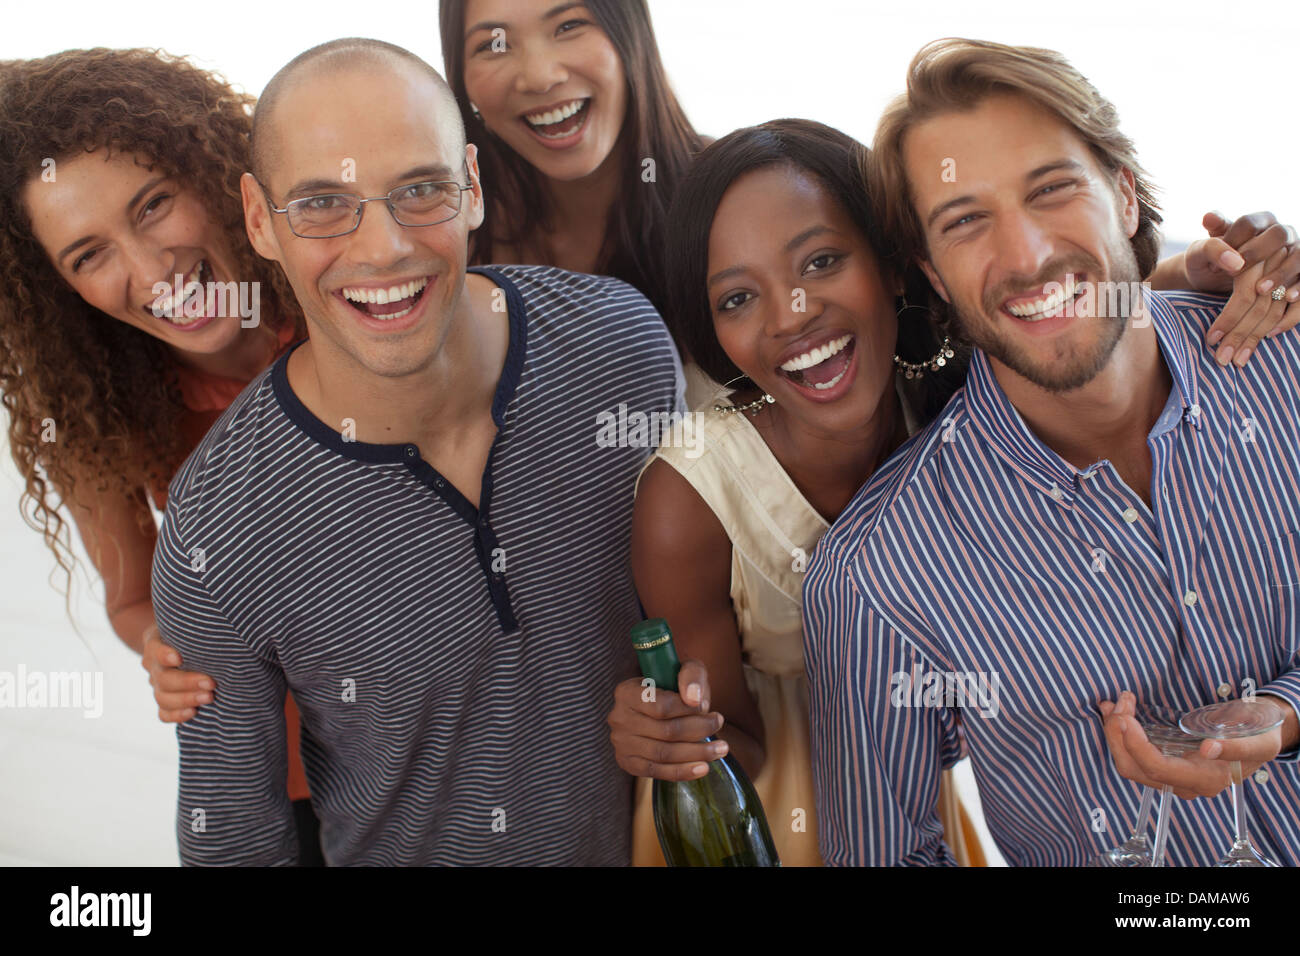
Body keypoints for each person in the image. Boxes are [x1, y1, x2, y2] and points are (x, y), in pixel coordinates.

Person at [603, 120, 1293, 866]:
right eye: (737, 298)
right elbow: (742, 744)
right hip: (777, 806)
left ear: (903, 269)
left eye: (824, 261)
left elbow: (1058, 306)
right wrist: (675, 731)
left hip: (946, 766)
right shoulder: (689, 500)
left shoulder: (950, 377)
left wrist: (1213, 263)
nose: (792, 314)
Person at [150, 37, 682, 864]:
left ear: (470, 185)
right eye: (323, 203)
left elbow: (709, 627)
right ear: (259, 217)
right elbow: (235, 844)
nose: (383, 249)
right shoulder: (217, 529)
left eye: (421, 190)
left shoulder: (620, 347)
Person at [804, 37, 1300, 866]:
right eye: (966, 221)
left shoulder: (1290, 361)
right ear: (930, 272)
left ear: (1127, 195)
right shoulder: (877, 575)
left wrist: (1284, 713)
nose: (1028, 256)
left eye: (1054, 188)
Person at [0, 48, 321, 862]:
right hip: (288, 777)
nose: (148, 270)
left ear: (214, 176)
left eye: (151, 207)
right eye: (89, 255)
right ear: (59, 289)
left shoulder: (349, 290)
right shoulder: (96, 414)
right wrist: (160, 650)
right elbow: (131, 600)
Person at [440, 0, 717, 404]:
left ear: (630, 33)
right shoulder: (448, 236)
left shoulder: (734, 197)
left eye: (569, 25)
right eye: (494, 45)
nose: (539, 77)